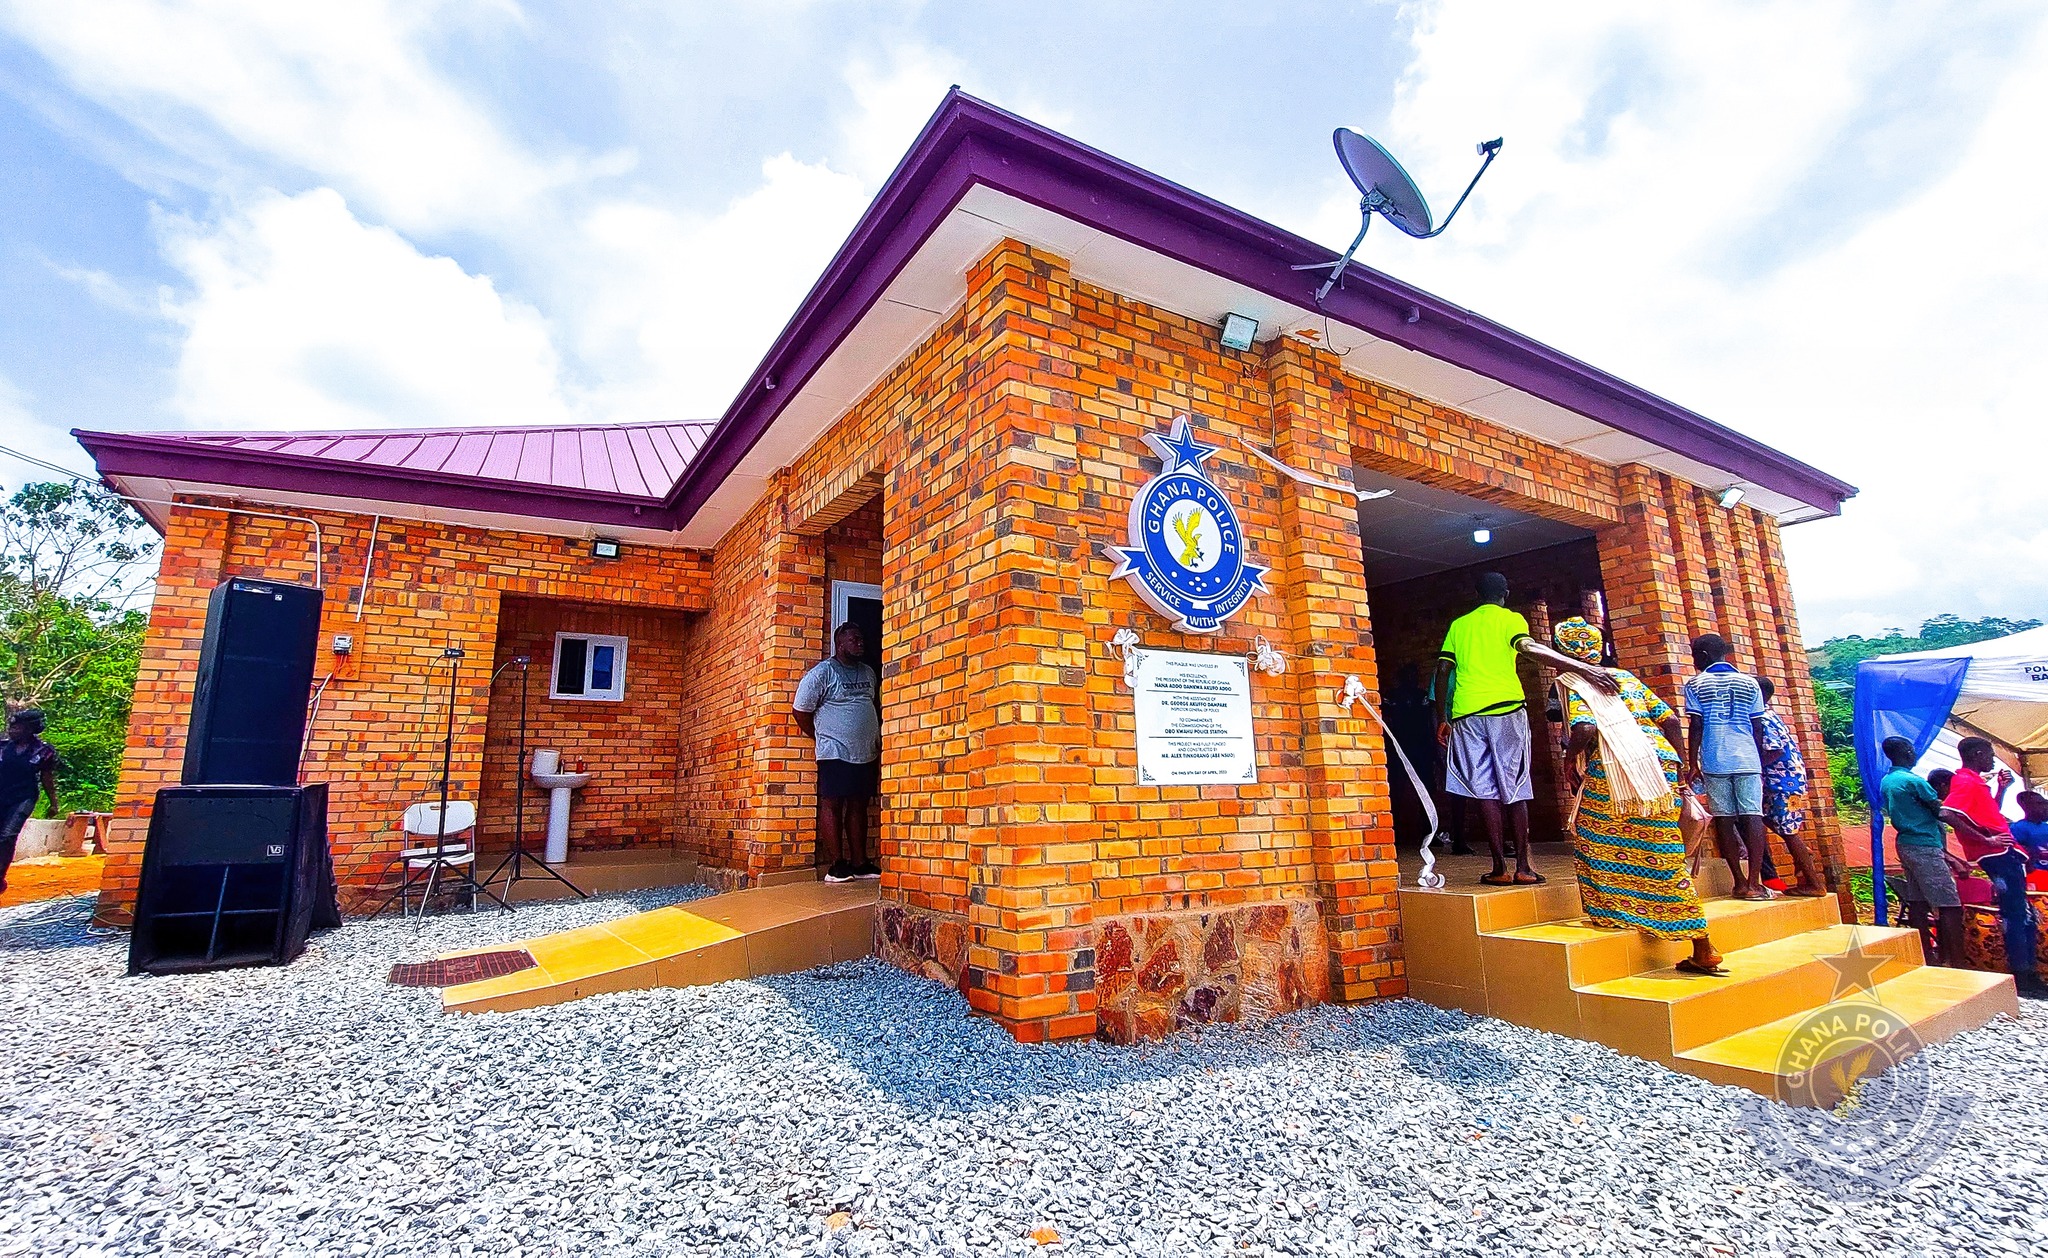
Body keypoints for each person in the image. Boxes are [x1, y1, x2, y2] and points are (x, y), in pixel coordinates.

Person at [1552, 618, 1727, 976]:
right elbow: (1670, 720)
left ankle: (1700, 942)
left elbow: (1585, 726)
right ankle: (1632, 915)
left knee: (1597, 839)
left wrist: (1569, 761)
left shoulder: (1576, 682)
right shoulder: (1625, 678)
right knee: (1658, 848)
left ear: (1562, 652)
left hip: (1617, 773)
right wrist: (1681, 764)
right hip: (1659, 767)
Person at [1434, 572, 1617, 887]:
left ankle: (1498, 869)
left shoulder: (1459, 625)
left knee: (1485, 791)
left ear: (1477, 595)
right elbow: (1528, 648)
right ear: (1505, 593)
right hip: (1507, 710)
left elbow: (1442, 669)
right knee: (1516, 786)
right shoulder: (1511, 619)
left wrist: (1443, 717)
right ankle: (1523, 867)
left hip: (1467, 715)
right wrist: (1584, 667)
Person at [1684, 635, 1823, 901]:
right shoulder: (1750, 683)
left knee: (1725, 819)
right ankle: (1754, 884)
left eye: (1694, 655)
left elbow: (1697, 725)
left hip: (1715, 760)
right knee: (1753, 816)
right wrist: (1756, 760)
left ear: (1702, 655)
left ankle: (1739, 883)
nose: (1694, 660)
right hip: (1748, 760)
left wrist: (1693, 763)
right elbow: (1757, 726)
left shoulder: (1695, 684)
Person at [1942, 737, 2042, 995]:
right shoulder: (1965, 781)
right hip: (1998, 854)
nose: (1993, 760)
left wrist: (2001, 790)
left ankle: (2026, 972)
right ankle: (2023, 976)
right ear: (1977, 754)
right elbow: (1947, 812)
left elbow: (1987, 815)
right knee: (2016, 915)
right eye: (1989, 754)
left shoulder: (1975, 783)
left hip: (2003, 852)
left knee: (2021, 914)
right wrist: (1987, 840)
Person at [793, 623, 881, 883]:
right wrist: (822, 737)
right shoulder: (823, 673)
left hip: (865, 752)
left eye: (861, 638)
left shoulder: (868, 672)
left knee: (858, 806)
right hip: (834, 752)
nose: (860, 643)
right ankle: (837, 866)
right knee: (833, 804)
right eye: (854, 639)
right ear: (839, 644)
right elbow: (800, 710)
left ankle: (860, 863)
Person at [1880, 737, 1970, 967]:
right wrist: (1977, 831)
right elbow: (1941, 811)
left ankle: (1926, 957)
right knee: (1949, 904)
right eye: (1911, 750)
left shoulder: (1888, 781)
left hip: (1907, 843)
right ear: (1905, 752)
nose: (1913, 754)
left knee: (1918, 902)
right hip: (1924, 844)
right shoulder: (1913, 781)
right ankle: (1957, 961)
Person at [1755, 678, 1827, 896]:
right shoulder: (1771, 714)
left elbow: (1775, 750)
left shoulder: (1763, 718)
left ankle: (1815, 885)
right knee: (1764, 819)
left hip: (1781, 783)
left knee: (1788, 831)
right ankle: (1804, 853)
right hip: (1786, 781)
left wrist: (1755, 766)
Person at [0, 709, 62, 895]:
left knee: (7, 835)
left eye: (17, 727)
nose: (12, 731)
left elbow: (47, 778)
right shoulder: (3, 747)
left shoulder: (43, 751)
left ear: (29, 729)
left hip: (23, 798)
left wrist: (53, 803)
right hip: (2, 794)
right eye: (12, 727)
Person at [2011, 790, 2048, 874]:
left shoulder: (2045, 826)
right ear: (2027, 806)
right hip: (2036, 874)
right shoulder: (2019, 828)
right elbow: (2014, 852)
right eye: (2040, 804)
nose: (2046, 807)